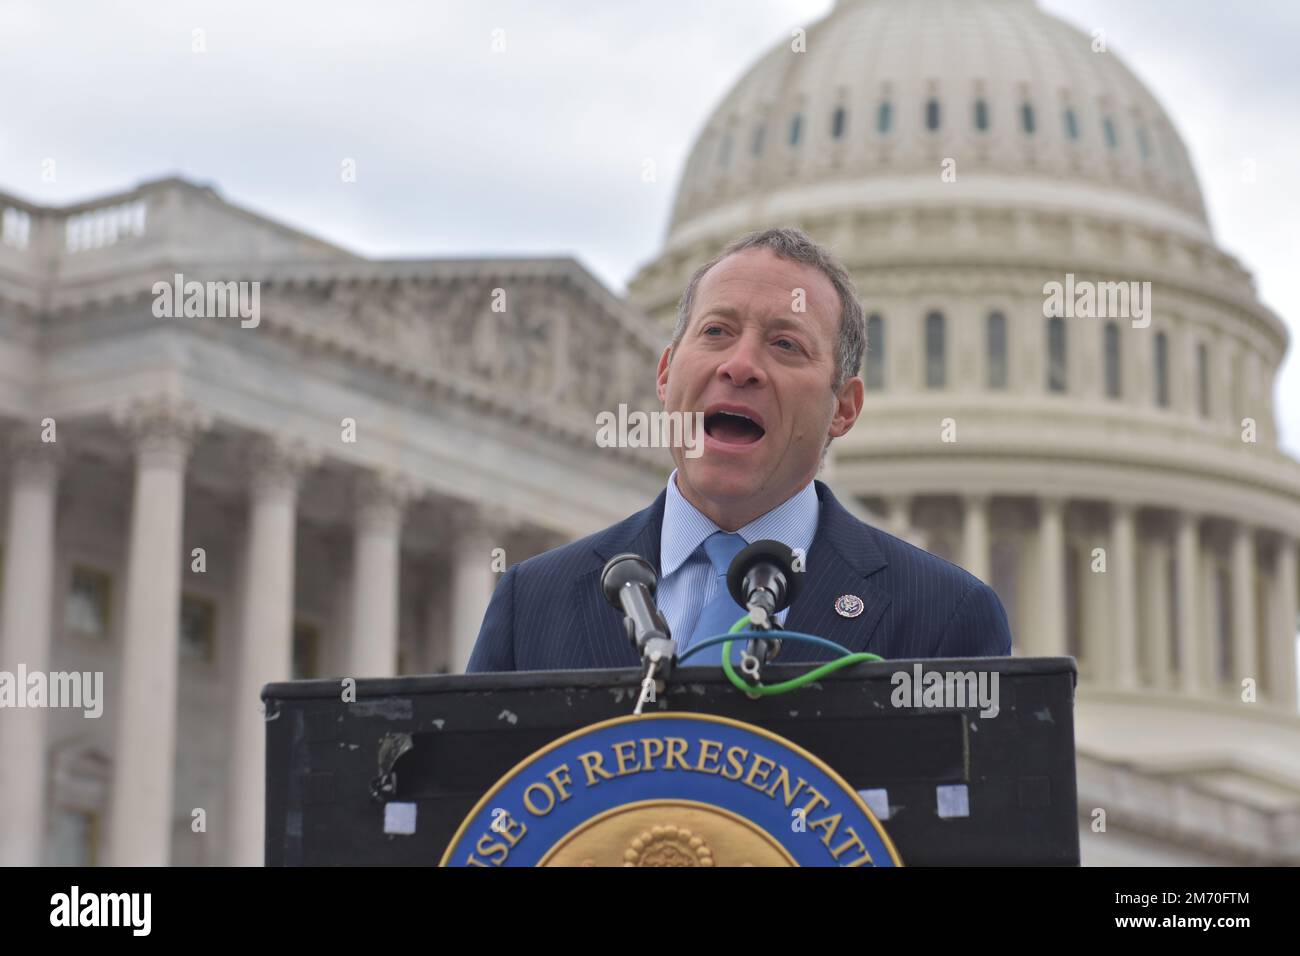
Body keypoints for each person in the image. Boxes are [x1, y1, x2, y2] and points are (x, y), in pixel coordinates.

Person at [468, 228, 1012, 672]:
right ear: (664, 373)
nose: (740, 365)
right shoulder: (533, 602)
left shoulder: (945, 617)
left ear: (844, 408)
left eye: (785, 344)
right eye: (716, 332)